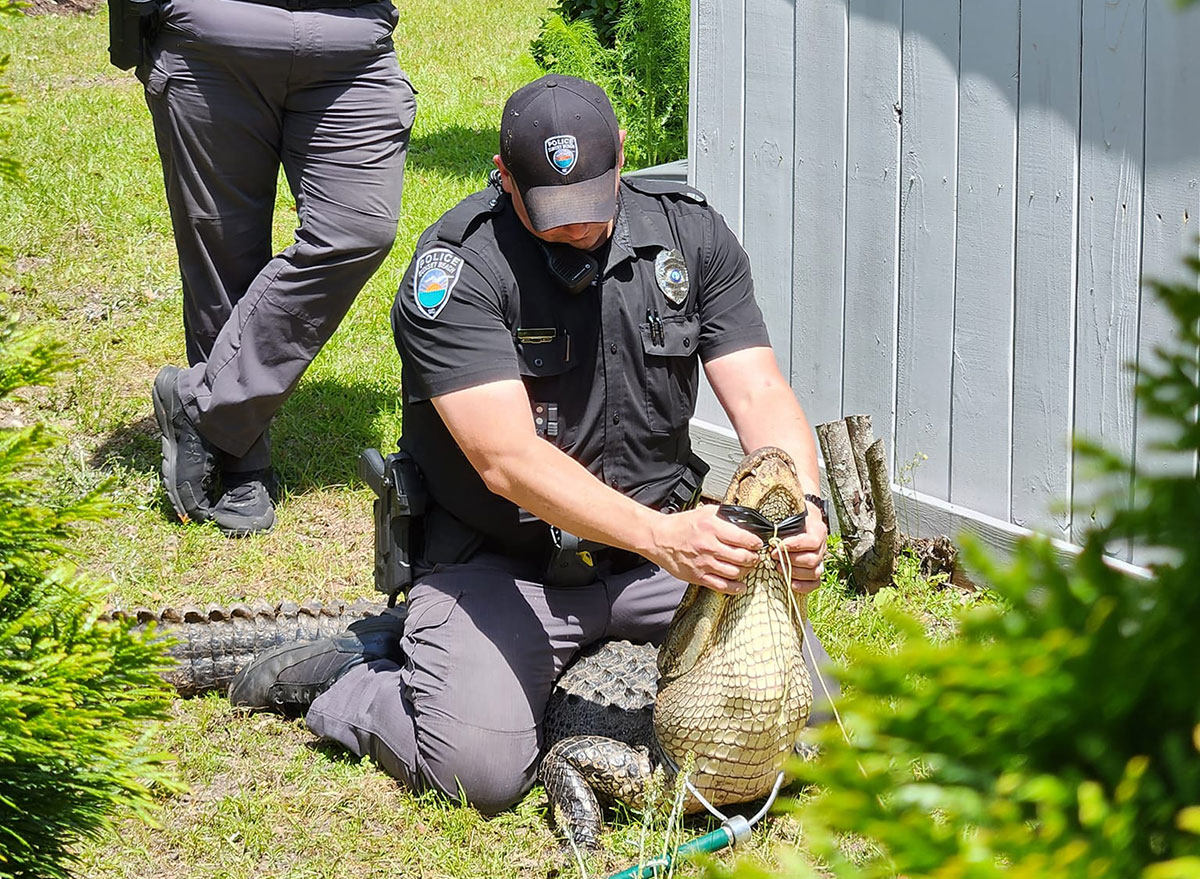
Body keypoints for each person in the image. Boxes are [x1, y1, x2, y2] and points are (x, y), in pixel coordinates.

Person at [230, 74, 837, 814]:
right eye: (550, 213)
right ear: (502, 176)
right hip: (502, 566)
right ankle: (359, 677)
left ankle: (544, 652)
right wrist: (665, 536)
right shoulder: (456, 271)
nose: (575, 229)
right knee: (478, 774)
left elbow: (761, 392)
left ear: (621, 157)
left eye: (591, 203)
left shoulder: (689, 236)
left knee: (813, 726)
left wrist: (803, 507)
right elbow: (506, 458)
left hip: (655, 557)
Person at [145, 0, 418, 536]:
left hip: (352, 43)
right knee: (222, 251)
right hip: (214, 36)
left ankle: (207, 411)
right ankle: (239, 459)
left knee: (359, 230)